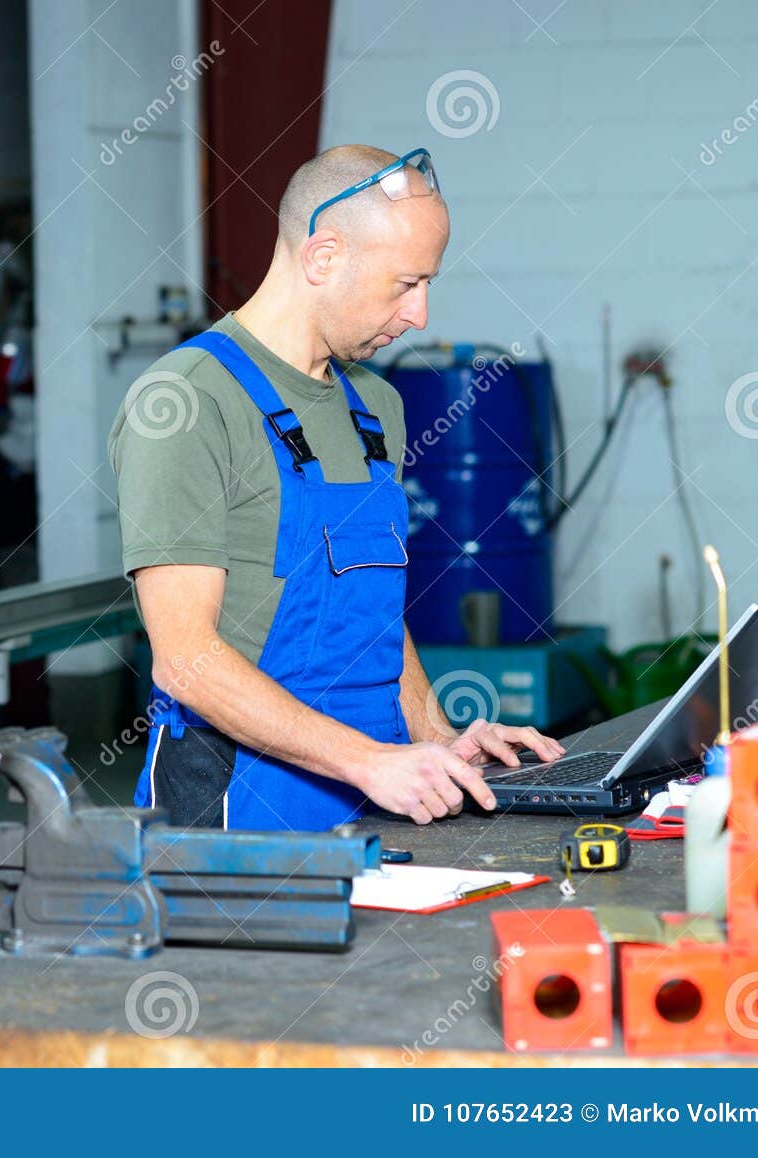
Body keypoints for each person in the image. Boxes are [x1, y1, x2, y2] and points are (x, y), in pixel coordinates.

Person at [109, 145, 563, 832]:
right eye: (405, 284)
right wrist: (368, 763)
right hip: (240, 811)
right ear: (322, 258)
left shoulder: (377, 407)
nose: (421, 317)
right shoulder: (188, 402)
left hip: (375, 797)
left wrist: (433, 737)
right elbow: (185, 661)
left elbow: (369, 603)